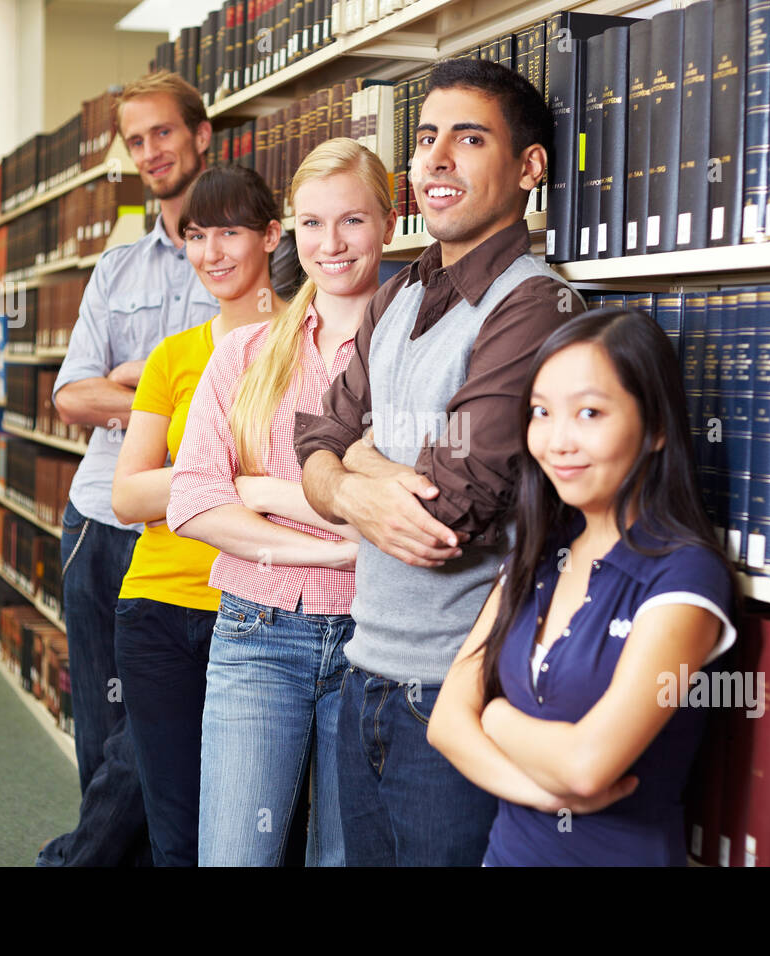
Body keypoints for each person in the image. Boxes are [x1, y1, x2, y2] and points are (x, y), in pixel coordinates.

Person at [294, 57, 583, 865]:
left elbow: (451, 510)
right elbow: (311, 440)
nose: (436, 159)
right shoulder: (396, 296)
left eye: (468, 137)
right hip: (363, 674)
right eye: (425, 139)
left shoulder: (536, 303)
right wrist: (354, 474)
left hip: (456, 692)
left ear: (529, 167)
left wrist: (348, 464)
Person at [427, 308, 738, 866]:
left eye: (589, 412)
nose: (558, 441)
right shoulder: (538, 548)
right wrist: (546, 795)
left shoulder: (687, 577)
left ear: (658, 426)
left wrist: (494, 717)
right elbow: (448, 722)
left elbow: (588, 766)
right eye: (542, 412)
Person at [167, 138, 390, 866]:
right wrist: (335, 540)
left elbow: (416, 492)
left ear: (388, 222)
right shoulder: (247, 354)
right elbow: (194, 502)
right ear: (291, 230)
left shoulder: (416, 352)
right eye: (313, 223)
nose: (332, 244)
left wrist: (261, 491)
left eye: (352, 221)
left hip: (376, 644)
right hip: (259, 633)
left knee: (341, 860)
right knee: (236, 854)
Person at [41, 71, 220, 866]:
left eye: (164, 133)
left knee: (158, 733)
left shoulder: (250, 253)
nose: (150, 152)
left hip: (192, 532)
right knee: (101, 731)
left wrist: (132, 386)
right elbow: (69, 395)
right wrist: (161, 400)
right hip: (100, 521)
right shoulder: (115, 269)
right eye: (136, 139)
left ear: (202, 135)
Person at [109, 164, 287, 866]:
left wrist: (188, 484)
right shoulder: (174, 357)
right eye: (196, 235)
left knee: (260, 833)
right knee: (178, 834)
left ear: (272, 235)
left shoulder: (303, 347)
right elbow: (127, 497)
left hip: (258, 611)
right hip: (154, 612)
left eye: (231, 233)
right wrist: (235, 479)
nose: (212, 253)